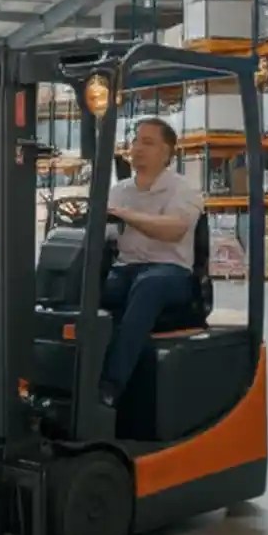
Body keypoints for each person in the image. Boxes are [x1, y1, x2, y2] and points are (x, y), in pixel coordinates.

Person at [100, 116, 203, 403]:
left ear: (167, 152)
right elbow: (106, 236)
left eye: (148, 142)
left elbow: (174, 229)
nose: (138, 148)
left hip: (172, 274)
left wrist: (125, 215)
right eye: (135, 141)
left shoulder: (183, 189)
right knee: (83, 287)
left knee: (148, 285)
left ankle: (111, 385)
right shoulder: (119, 191)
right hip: (126, 270)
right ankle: (72, 375)